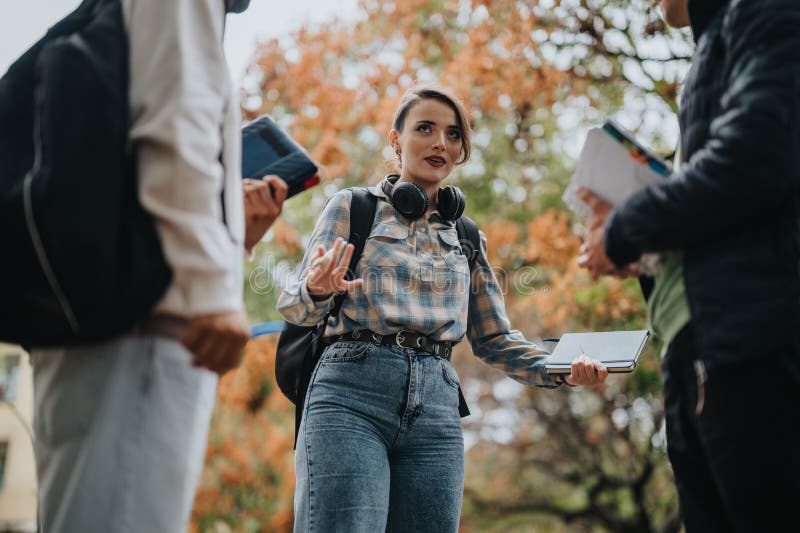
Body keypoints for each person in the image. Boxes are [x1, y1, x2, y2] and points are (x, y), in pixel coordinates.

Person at [277, 84, 608, 533]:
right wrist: (317, 289)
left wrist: (564, 366)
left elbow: (494, 339)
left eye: (453, 135)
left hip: (436, 411)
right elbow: (294, 308)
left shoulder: (467, 236)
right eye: (425, 129)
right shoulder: (353, 208)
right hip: (350, 395)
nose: (440, 143)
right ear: (396, 140)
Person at [29, 1, 286, 532]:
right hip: (146, 325)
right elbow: (175, 128)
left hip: (103, 316)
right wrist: (212, 291)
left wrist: (231, 245)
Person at [577, 0, 800, 531]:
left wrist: (625, 229)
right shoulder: (711, 47)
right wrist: (642, 256)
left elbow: (755, 158)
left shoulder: (765, 12)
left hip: (751, 346)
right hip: (693, 354)